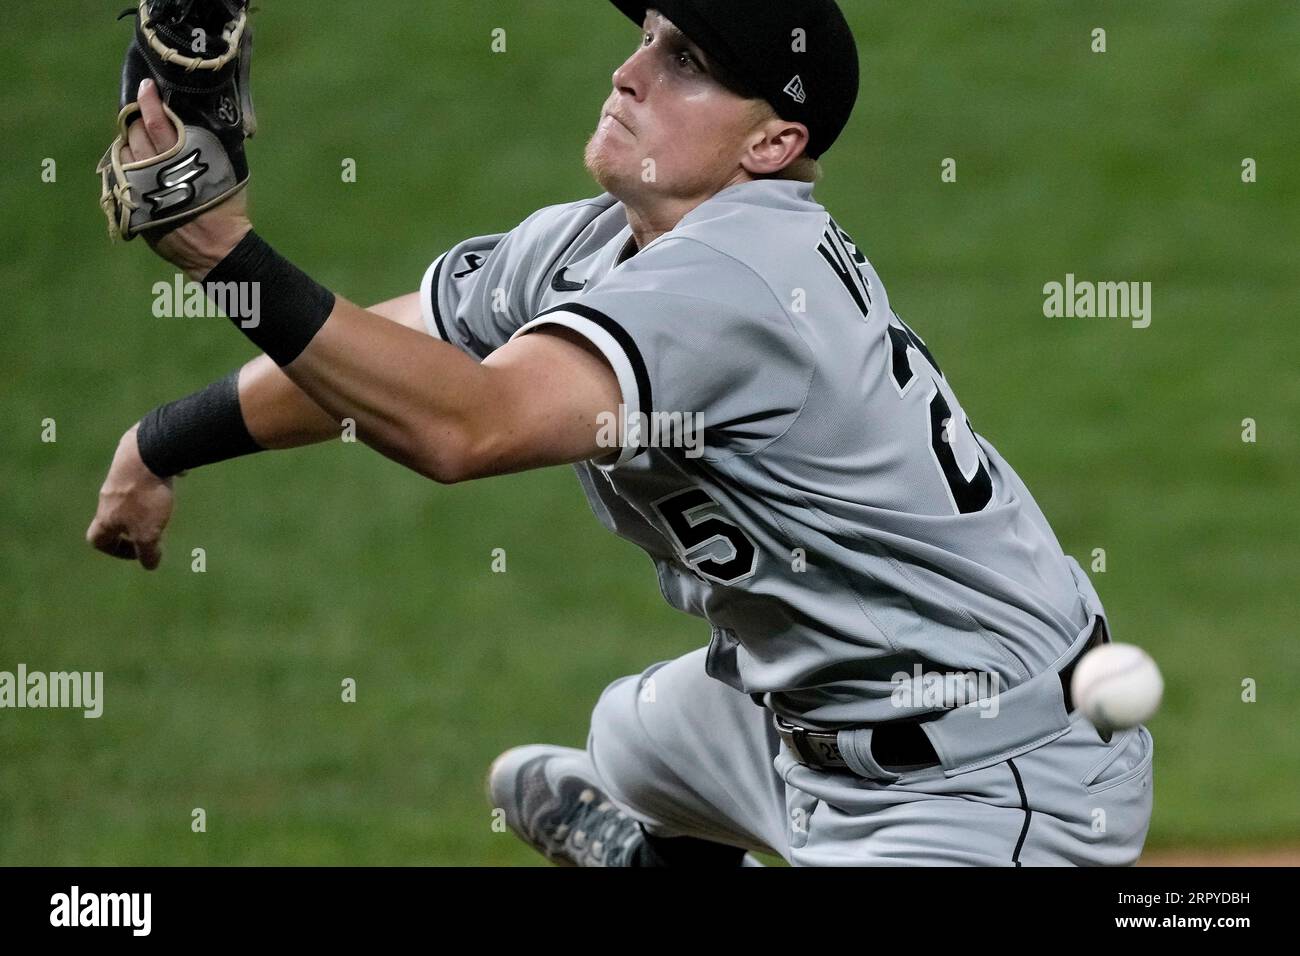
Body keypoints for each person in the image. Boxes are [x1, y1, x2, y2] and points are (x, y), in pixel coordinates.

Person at [88, 1, 1153, 866]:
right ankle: (660, 845)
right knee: (634, 737)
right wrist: (163, 439)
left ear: (773, 142)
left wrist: (221, 253)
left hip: (987, 783)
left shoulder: (739, 280)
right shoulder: (596, 243)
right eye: (646, 37)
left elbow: (463, 426)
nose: (629, 72)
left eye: (684, 61)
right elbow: (379, 360)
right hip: (796, 717)